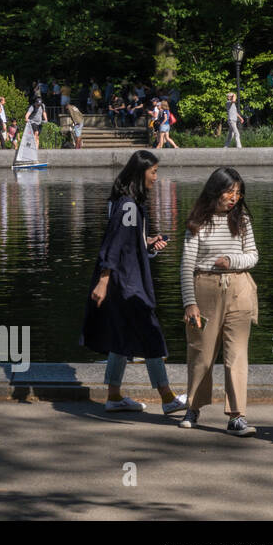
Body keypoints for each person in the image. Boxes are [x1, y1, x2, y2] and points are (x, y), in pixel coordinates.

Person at [81, 150, 187, 416]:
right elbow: (114, 242)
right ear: (141, 173)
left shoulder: (123, 201)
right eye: (153, 172)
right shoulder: (128, 205)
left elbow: (126, 242)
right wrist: (103, 280)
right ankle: (167, 397)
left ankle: (114, 395)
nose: (156, 177)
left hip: (123, 278)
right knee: (150, 331)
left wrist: (147, 243)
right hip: (127, 282)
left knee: (122, 335)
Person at [179, 168, 259, 435]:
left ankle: (237, 415)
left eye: (238, 192)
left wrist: (231, 261)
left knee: (237, 354)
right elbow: (186, 264)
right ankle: (193, 405)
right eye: (229, 191)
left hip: (239, 287)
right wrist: (189, 303)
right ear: (216, 190)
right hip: (205, 287)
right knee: (201, 352)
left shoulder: (243, 219)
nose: (234, 198)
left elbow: (253, 256)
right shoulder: (198, 221)